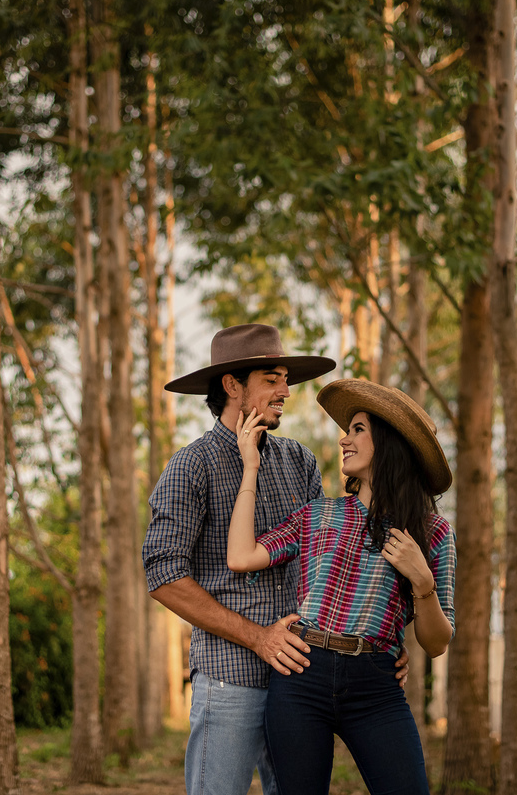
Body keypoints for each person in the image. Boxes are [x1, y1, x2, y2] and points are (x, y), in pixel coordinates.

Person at [227, 378, 455, 795]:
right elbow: (241, 557)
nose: (344, 439)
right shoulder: (318, 515)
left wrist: (422, 582)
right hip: (301, 677)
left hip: (377, 687)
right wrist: (250, 467)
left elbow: (437, 643)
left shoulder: (433, 533)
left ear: (390, 443)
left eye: (358, 430)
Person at [143, 323, 337, 795]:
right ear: (233, 385)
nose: (286, 391)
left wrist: (379, 643)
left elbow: (326, 563)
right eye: (272, 379)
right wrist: (258, 638)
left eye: (285, 379)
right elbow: (163, 574)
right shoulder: (191, 465)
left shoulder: (300, 462)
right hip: (229, 682)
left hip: (300, 680)